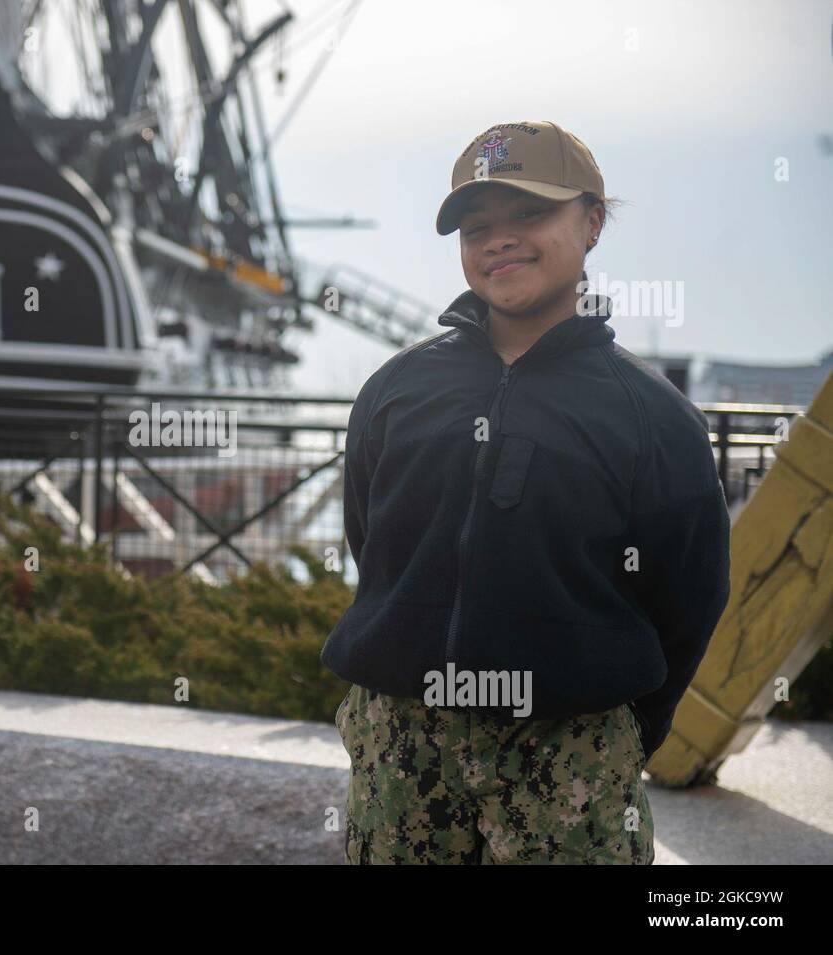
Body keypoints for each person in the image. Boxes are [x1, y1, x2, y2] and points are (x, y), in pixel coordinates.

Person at [321, 120, 731, 864]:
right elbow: (372, 546)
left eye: (530, 215)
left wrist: (623, 730)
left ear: (593, 221)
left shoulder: (653, 416)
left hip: (570, 751)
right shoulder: (395, 389)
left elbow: (689, 596)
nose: (499, 240)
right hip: (399, 745)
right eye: (478, 226)